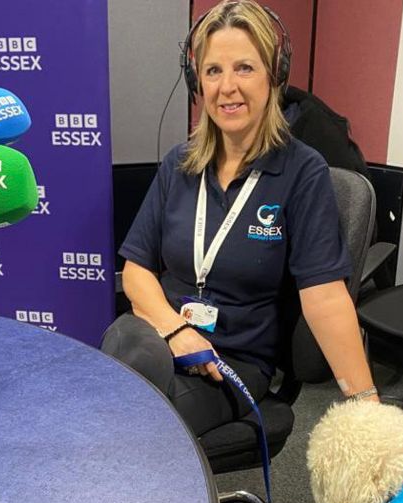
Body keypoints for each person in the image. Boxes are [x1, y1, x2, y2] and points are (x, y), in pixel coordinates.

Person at [102, 0, 377, 437]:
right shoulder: (179, 164)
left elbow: (324, 296)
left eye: (244, 68)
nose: (227, 87)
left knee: (131, 423)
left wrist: (367, 405)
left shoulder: (301, 171)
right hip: (159, 336)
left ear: (273, 76)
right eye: (213, 71)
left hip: (230, 361)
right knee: (120, 378)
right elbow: (136, 271)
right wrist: (175, 331)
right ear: (197, 81)